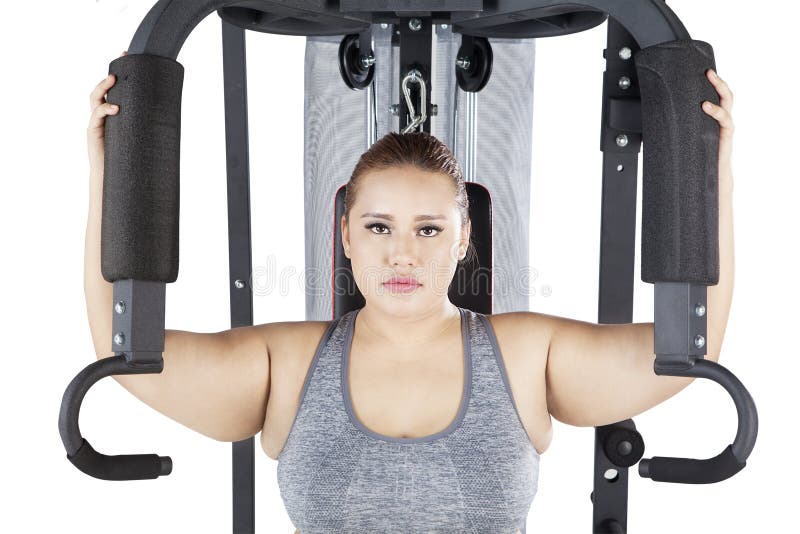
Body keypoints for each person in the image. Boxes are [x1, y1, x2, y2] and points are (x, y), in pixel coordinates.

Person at [85, 51, 735, 533]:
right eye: (378, 227)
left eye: (429, 228)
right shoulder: (287, 363)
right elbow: (129, 354)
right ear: (345, 234)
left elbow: (686, 349)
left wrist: (713, 172)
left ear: (463, 238)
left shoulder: (523, 355)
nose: (403, 253)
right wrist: (107, 175)